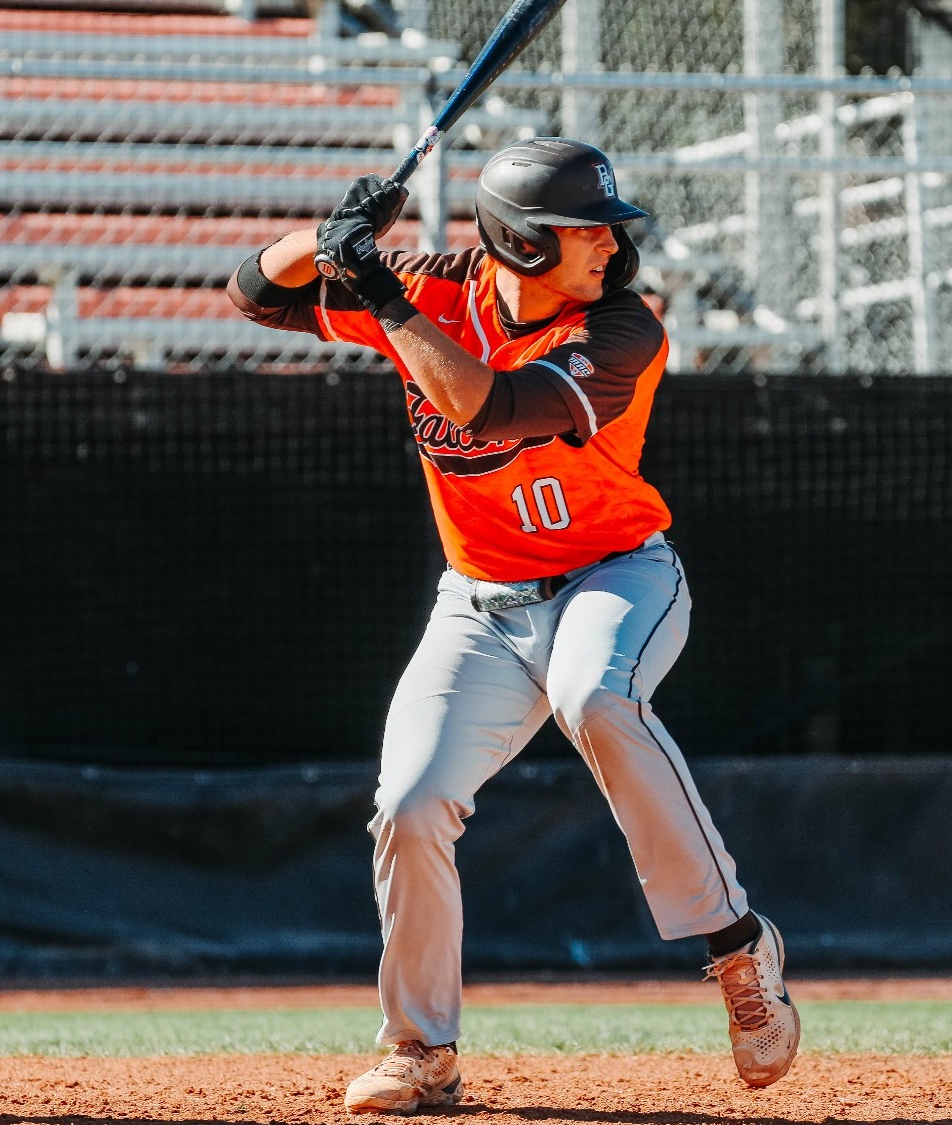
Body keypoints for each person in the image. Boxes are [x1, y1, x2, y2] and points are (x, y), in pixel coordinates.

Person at [229, 137, 800, 1113]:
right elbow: (254, 292)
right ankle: (420, 1048)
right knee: (407, 804)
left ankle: (737, 946)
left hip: (615, 576)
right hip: (480, 601)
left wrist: (380, 294)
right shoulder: (436, 286)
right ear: (521, 243)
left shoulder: (624, 330)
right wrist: (330, 236)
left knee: (593, 696)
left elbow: (488, 409)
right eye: (583, 232)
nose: (608, 248)